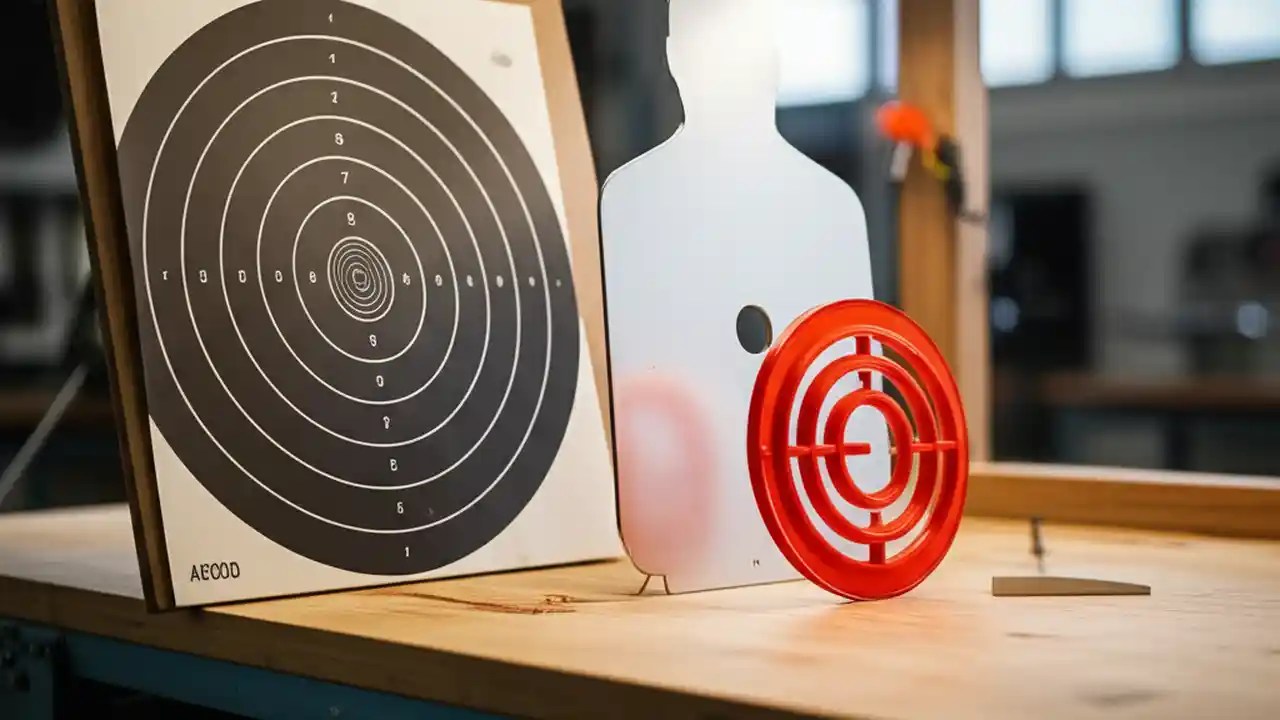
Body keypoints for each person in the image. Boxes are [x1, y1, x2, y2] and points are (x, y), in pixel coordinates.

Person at [600, 0, 888, 593]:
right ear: (675, 61)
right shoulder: (634, 201)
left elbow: (854, 423)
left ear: (774, 63)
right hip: (702, 539)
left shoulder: (833, 209)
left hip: (824, 546)